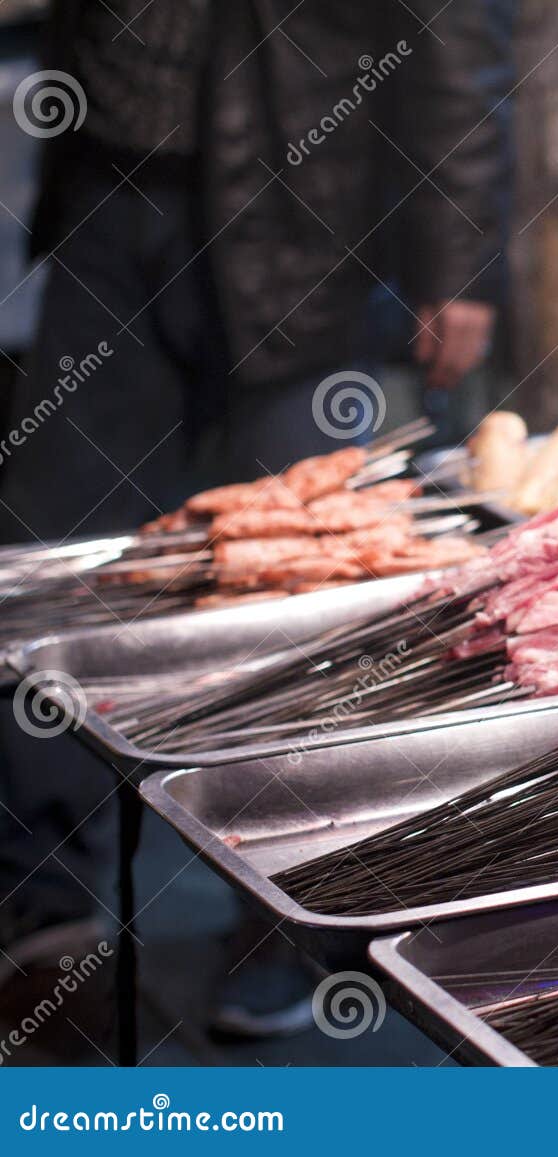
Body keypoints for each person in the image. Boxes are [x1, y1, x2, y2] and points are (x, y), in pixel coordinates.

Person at [0, 0, 510, 1047]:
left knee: (313, 590)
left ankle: (283, 918)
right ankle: (44, 917)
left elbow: (453, 34)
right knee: (52, 558)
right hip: (112, 185)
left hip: (297, 207)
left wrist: (455, 259)